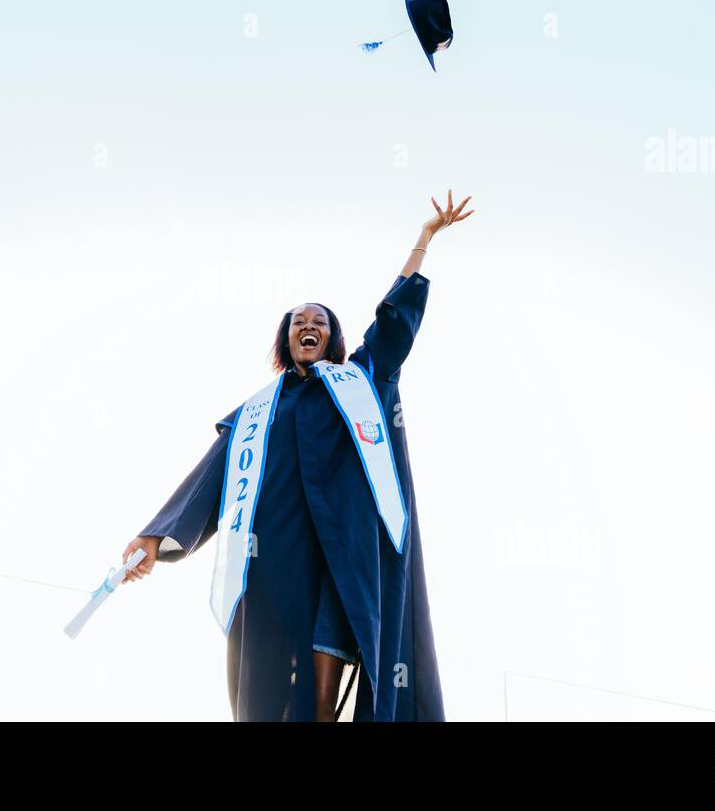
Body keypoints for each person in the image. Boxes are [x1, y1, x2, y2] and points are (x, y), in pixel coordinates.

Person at [121, 190, 473, 721]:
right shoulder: (259, 412)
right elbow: (213, 478)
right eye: (297, 322)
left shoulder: (359, 381)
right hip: (279, 559)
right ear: (285, 340)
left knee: (322, 686)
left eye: (320, 322)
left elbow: (394, 323)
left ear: (332, 338)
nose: (308, 326)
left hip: (343, 552)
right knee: (275, 692)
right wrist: (156, 536)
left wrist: (423, 241)